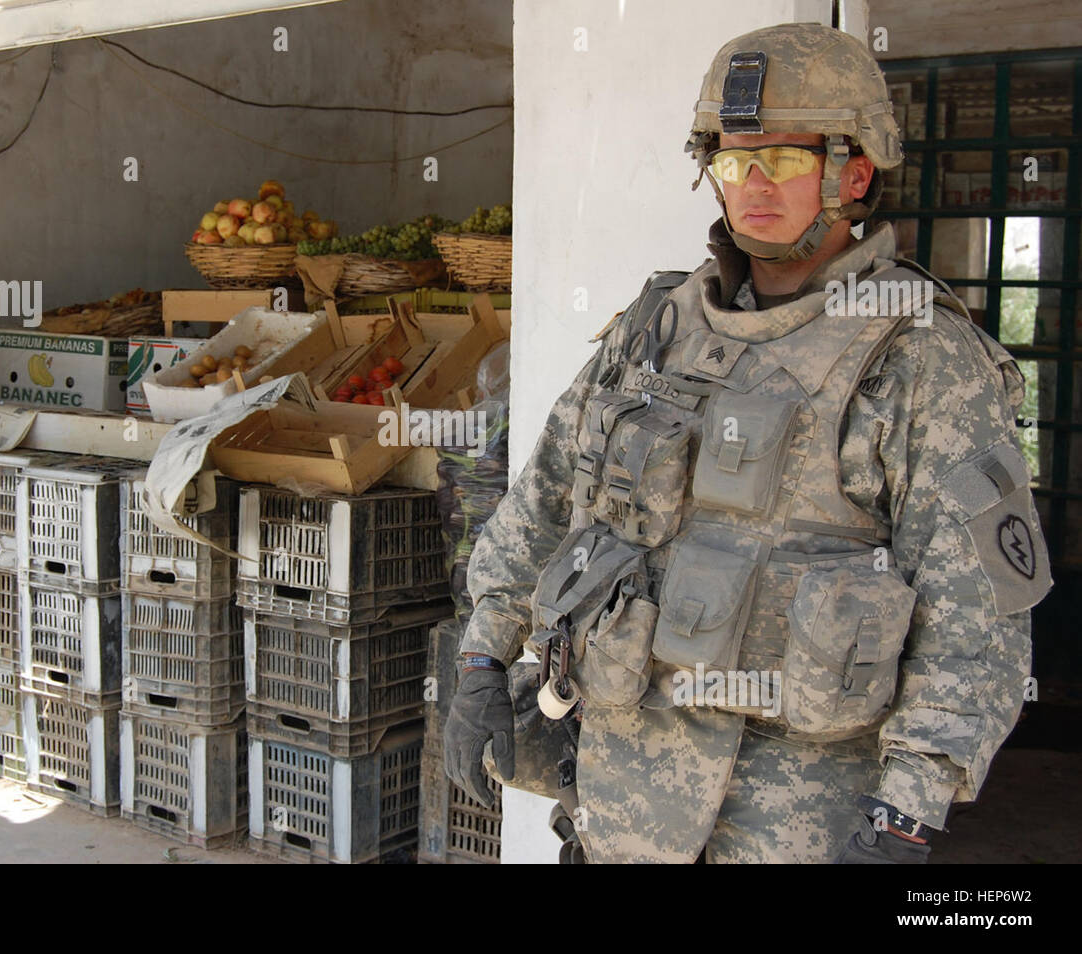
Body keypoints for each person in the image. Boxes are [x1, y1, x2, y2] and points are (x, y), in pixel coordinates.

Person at [444, 21, 1051, 864]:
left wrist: (905, 816)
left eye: (787, 160)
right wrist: (482, 653)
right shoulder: (658, 328)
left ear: (855, 171)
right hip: (620, 800)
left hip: (795, 823)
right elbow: (547, 496)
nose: (753, 183)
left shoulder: (921, 360)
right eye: (733, 160)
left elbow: (976, 620)